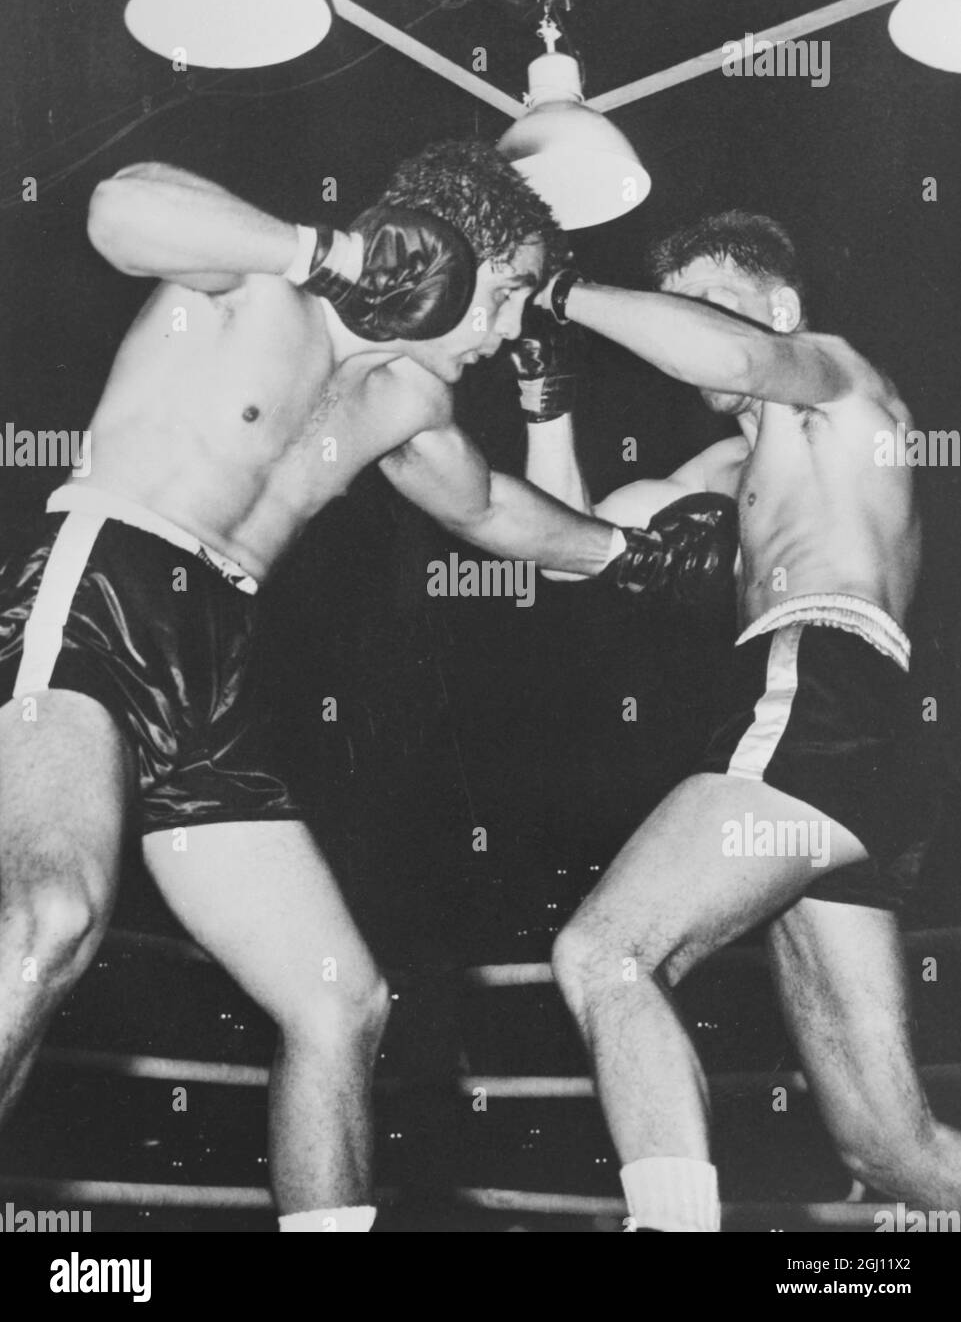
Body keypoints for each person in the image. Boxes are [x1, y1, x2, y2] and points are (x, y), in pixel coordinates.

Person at [0, 140, 640, 1234]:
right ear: (442, 253)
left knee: (341, 999)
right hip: (108, 587)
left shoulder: (403, 402)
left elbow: (496, 516)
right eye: (507, 295)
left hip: (220, 659)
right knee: (47, 914)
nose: (506, 332)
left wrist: (640, 553)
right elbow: (120, 206)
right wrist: (333, 250)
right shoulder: (255, 287)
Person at [516, 210, 961, 1229]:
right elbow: (566, 544)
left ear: (780, 307)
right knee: (888, 1146)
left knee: (605, 954)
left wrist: (559, 293)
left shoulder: (838, 381)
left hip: (819, 687)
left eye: (704, 300)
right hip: (847, 755)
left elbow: (734, 353)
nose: (685, 328)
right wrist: (544, 393)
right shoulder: (725, 472)